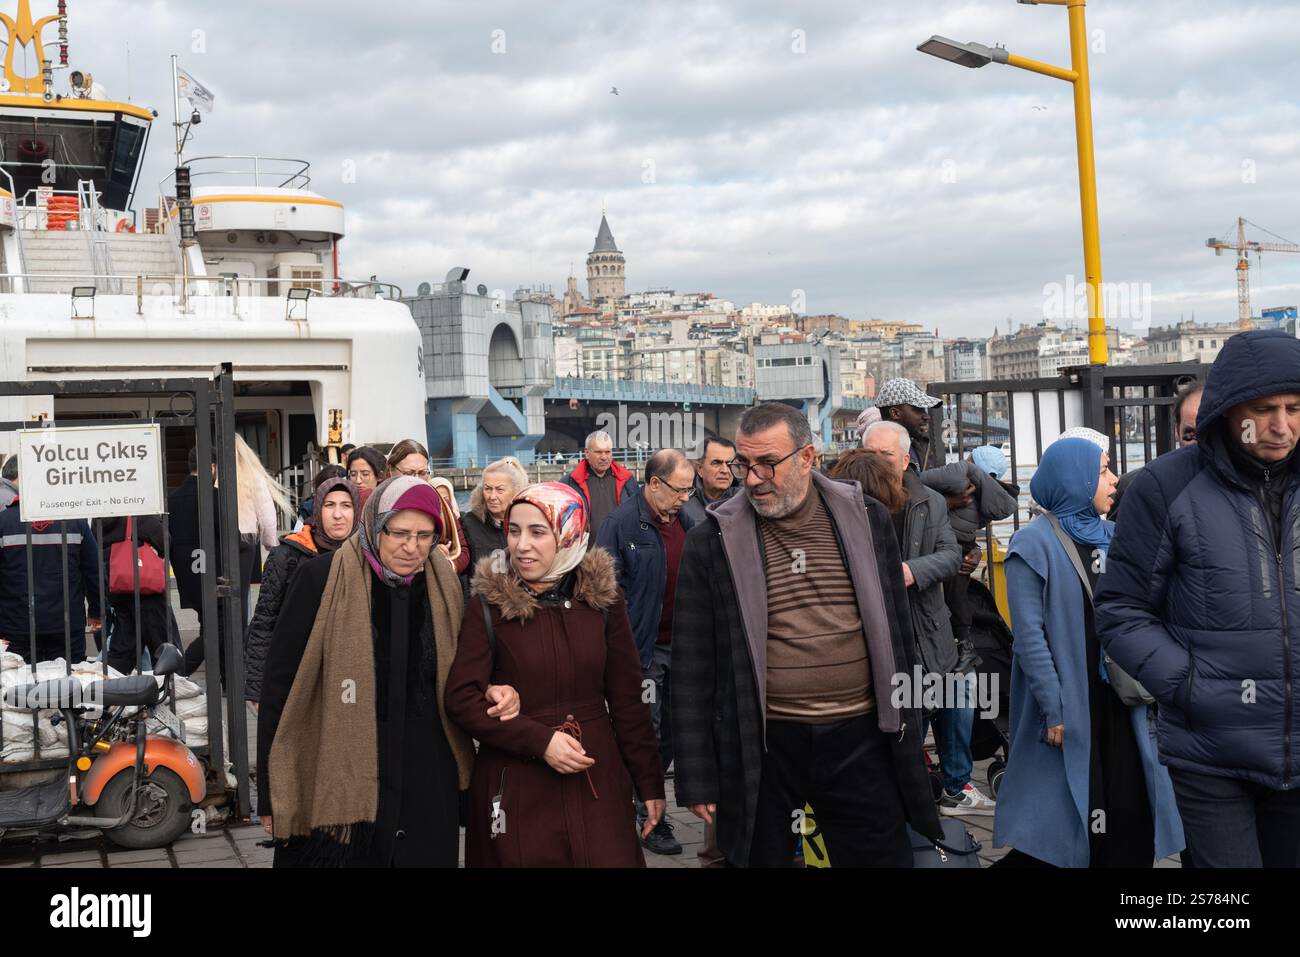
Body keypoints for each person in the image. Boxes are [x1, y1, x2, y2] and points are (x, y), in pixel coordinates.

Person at [671, 403, 941, 867]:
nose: (752, 479)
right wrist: (697, 776)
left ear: (807, 457)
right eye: (743, 463)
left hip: (863, 738)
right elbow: (692, 666)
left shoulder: (867, 519)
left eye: (767, 464)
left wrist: (909, 728)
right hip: (764, 744)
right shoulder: (712, 540)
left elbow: (898, 635)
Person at [1097, 330, 1300, 867]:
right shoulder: (1162, 488)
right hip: (1211, 751)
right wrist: (1192, 687)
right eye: (1265, 408)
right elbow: (1121, 610)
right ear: (1229, 412)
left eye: (1296, 408)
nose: (1282, 425)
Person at [257, 476, 521, 867]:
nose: (411, 547)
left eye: (424, 535)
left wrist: (497, 689)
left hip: (425, 775)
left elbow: (465, 666)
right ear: (376, 524)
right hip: (340, 768)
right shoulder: (321, 579)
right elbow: (280, 686)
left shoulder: (445, 583)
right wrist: (270, 791)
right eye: (399, 532)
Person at [446, 482, 665, 867]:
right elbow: (461, 698)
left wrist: (649, 783)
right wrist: (539, 740)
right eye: (513, 531)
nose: (521, 545)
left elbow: (629, 699)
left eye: (537, 531)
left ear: (568, 533)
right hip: (517, 786)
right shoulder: (488, 605)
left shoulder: (602, 600)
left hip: (595, 781)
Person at [996, 437, 1183, 867]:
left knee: (1131, 810)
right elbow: (1029, 639)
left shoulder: (1116, 536)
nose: (1114, 479)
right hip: (1070, 702)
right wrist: (1053, 707)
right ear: (1074, 480)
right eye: (1102, 471)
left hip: (1122, 699)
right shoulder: (1033, 544)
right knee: (1065, 822)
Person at [860, 422, 991, 815]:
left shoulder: (930, 500)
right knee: (899, 718)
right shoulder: (849, 502)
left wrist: (911, 570)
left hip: (929, 625)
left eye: (886, 455)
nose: (878, 464)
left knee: (953, 698)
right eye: (871, 455)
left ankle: (953, 787)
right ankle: (906, 797)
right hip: (877, 631)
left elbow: (952, 555)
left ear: (904, 460)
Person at [596, 449, 697, 855]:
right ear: (653, 484)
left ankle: (641, 802)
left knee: (674, 731)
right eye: (679, 490)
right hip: (643, 650)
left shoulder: (690, 520)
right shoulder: (619, 525)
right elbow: (600, 592)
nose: (685, 498)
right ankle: (649, 818)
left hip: (684, 647)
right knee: (647, 733)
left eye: (691, 490)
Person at [183, 435, 290, 684]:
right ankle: (236, 670)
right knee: (238, 605)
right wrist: (271, 545)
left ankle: (225, 667)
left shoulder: (216, 477)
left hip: (218, 542)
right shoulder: (253, 476)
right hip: (245, 542)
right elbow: (268, 517)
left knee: (220, 604)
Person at [244, 476, 360, 707]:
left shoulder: (365, 556)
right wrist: (257, 688)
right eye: (329, 505)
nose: (338, 515)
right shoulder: (286, 556)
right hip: (297, 675)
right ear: (317, 510)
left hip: (350, 677)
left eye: (346, 506)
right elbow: (264, 623)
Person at [0, 455, 102, 663]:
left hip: (17, 626)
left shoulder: (4, 521)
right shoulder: (75, 521)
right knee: (69, 687)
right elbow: (94, 570)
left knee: (21, 688)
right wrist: (97, 610)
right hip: (66, 625)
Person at [1109, 381, 1203, 522]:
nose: (1199, 445)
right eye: (1190, 435)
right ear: (1176, 430)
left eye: (1209, 433)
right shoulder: (1138, 486)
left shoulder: (1243, 489)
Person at [99, 514, 180, 674]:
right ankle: (173, 688)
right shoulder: (137, 512)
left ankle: (111, 687)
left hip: (118, 585)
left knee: (124, 647)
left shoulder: (101, 517)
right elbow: (163, 539)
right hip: (146, 590)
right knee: (165, 646)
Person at [562, 430, 640, 536]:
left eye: (607, 452)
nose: (604, 457)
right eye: (598, 452)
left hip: (620, 550)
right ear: (587, 453)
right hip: (586, 551)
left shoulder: (627, 481)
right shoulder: (569, 483)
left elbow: (639, 513)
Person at [460, 456, 529, 575]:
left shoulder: (530, 524)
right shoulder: (468, 524)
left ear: (516, 491)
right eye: (487, 489)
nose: (492, 496)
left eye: (499, 490)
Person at [875, 378, 941, 473]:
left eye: (924, 409)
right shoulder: (880, 452)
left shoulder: (914, 442)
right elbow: (906, 485)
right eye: (918, 409)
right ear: (895, 413)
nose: (927, 416)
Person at [679, 436, 738, 525]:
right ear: (700, 469)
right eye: (716, 463)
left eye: (729, 464)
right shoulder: (683, 506)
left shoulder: (746, 501)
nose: (725, 470)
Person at [430, 477, 471, 576]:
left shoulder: (461, 519)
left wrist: (451, 565)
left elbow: (464, 551)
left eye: (446, 498)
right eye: (438, 498)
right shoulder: (429, 520)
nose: (443, 503)